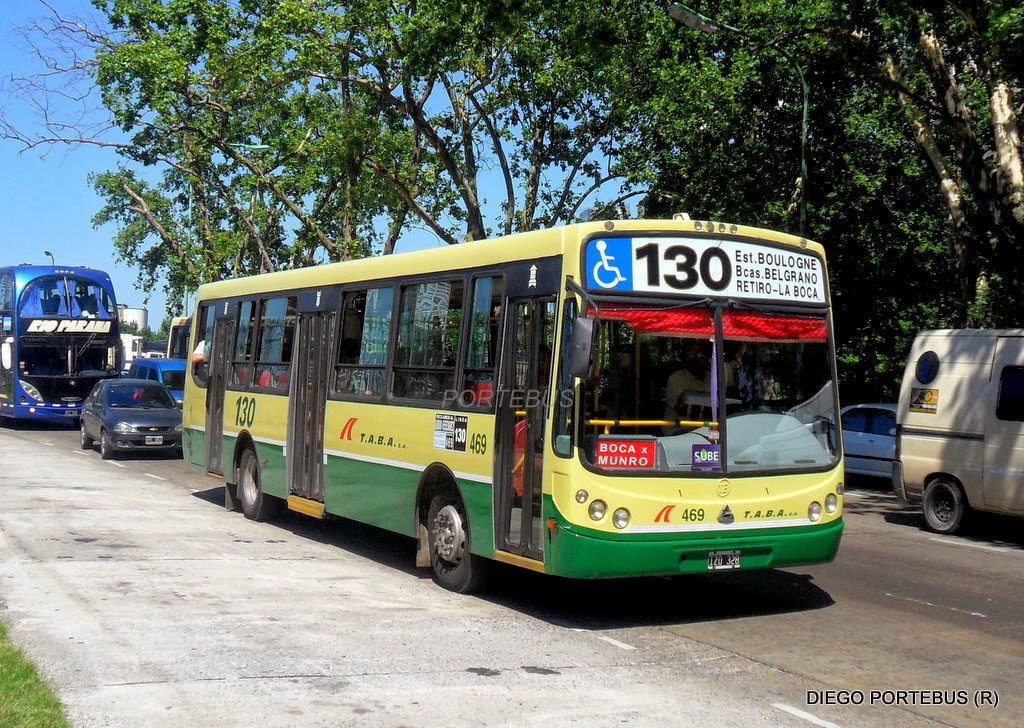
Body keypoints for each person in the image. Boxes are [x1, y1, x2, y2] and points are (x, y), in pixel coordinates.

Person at [664, 340, 711, 434]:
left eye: (700, 354)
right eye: (692, 354)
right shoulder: (676, 378)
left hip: (707, 431)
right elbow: (680, 408)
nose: (697, 358)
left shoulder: (713, 379)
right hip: (678, 430)